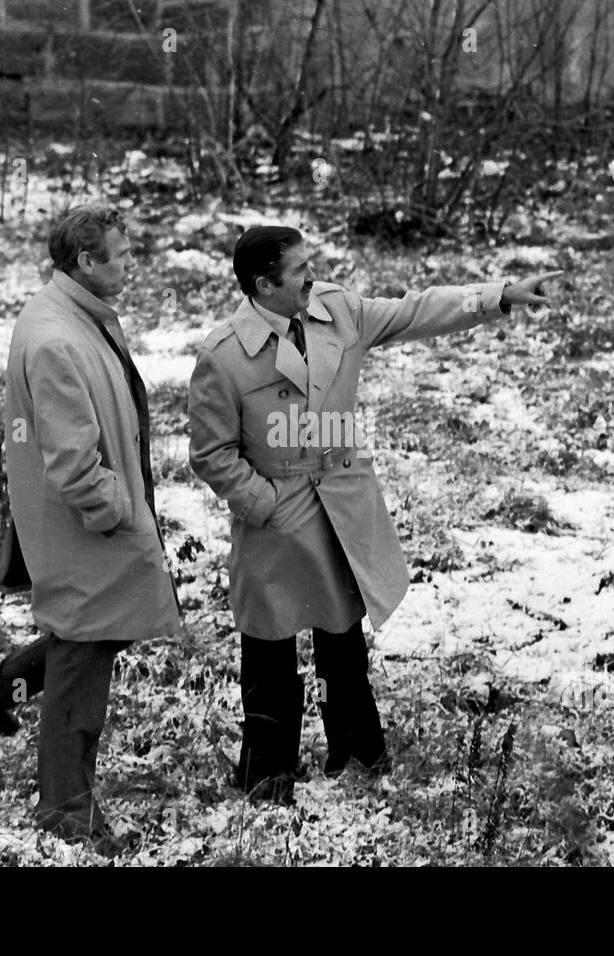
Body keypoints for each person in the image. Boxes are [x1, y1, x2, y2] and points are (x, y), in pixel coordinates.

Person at [187, 225, 558, 804]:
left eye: (311, 264)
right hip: (274, 519)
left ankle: (359, 755)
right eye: (299, 270)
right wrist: (265, 505)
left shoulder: (338, 313)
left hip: (339, 506)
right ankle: (267, 774)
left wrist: (500, 295)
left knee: (343, 642)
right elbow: (211, 455)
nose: (313, 276)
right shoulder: (223, 356)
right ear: (264, 284)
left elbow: (415, 311)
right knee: (268, 649)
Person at [0, 202, 180, 850]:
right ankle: (65, 812)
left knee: (96, 637)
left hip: (91, 521)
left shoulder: (72, 313)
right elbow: (74, 459)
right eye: (121, 252)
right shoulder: (59, 336)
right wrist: (115, 509)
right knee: (86, 658)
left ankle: (0, 688)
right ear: (86, 261)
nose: (131, 263)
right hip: (88, 524)